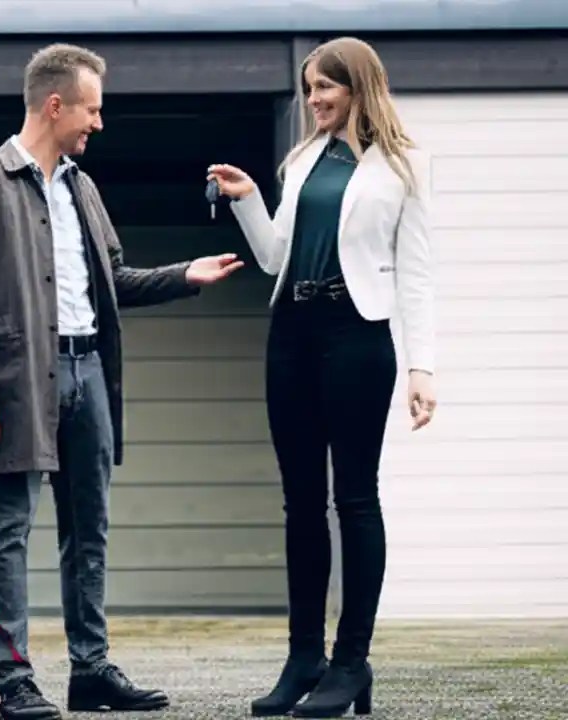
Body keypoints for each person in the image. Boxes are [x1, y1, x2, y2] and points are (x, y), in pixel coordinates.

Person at [0, 43, 243, 720]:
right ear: (55, 105)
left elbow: (114, 282)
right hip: (18, 383)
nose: (98, 123)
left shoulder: (82, 188)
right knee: (10, 526)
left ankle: (91, 669)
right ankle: (12, 682)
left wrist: (182, 276)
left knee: (90, 527)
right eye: (92, 109)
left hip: (88, 372)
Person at [206, 36, 437, 718]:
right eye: (308, 89)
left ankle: (351, 662)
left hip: (359, 337)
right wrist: (249, 198)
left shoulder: (406, 165)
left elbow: (417, 274)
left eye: (324, 89)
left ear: (359, 87)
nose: (314, 101)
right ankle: (303, 656)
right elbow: (277, 257)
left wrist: (423, 365)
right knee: (301, 502)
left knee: (355, 499)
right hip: (293, 335)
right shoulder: (303, 158)